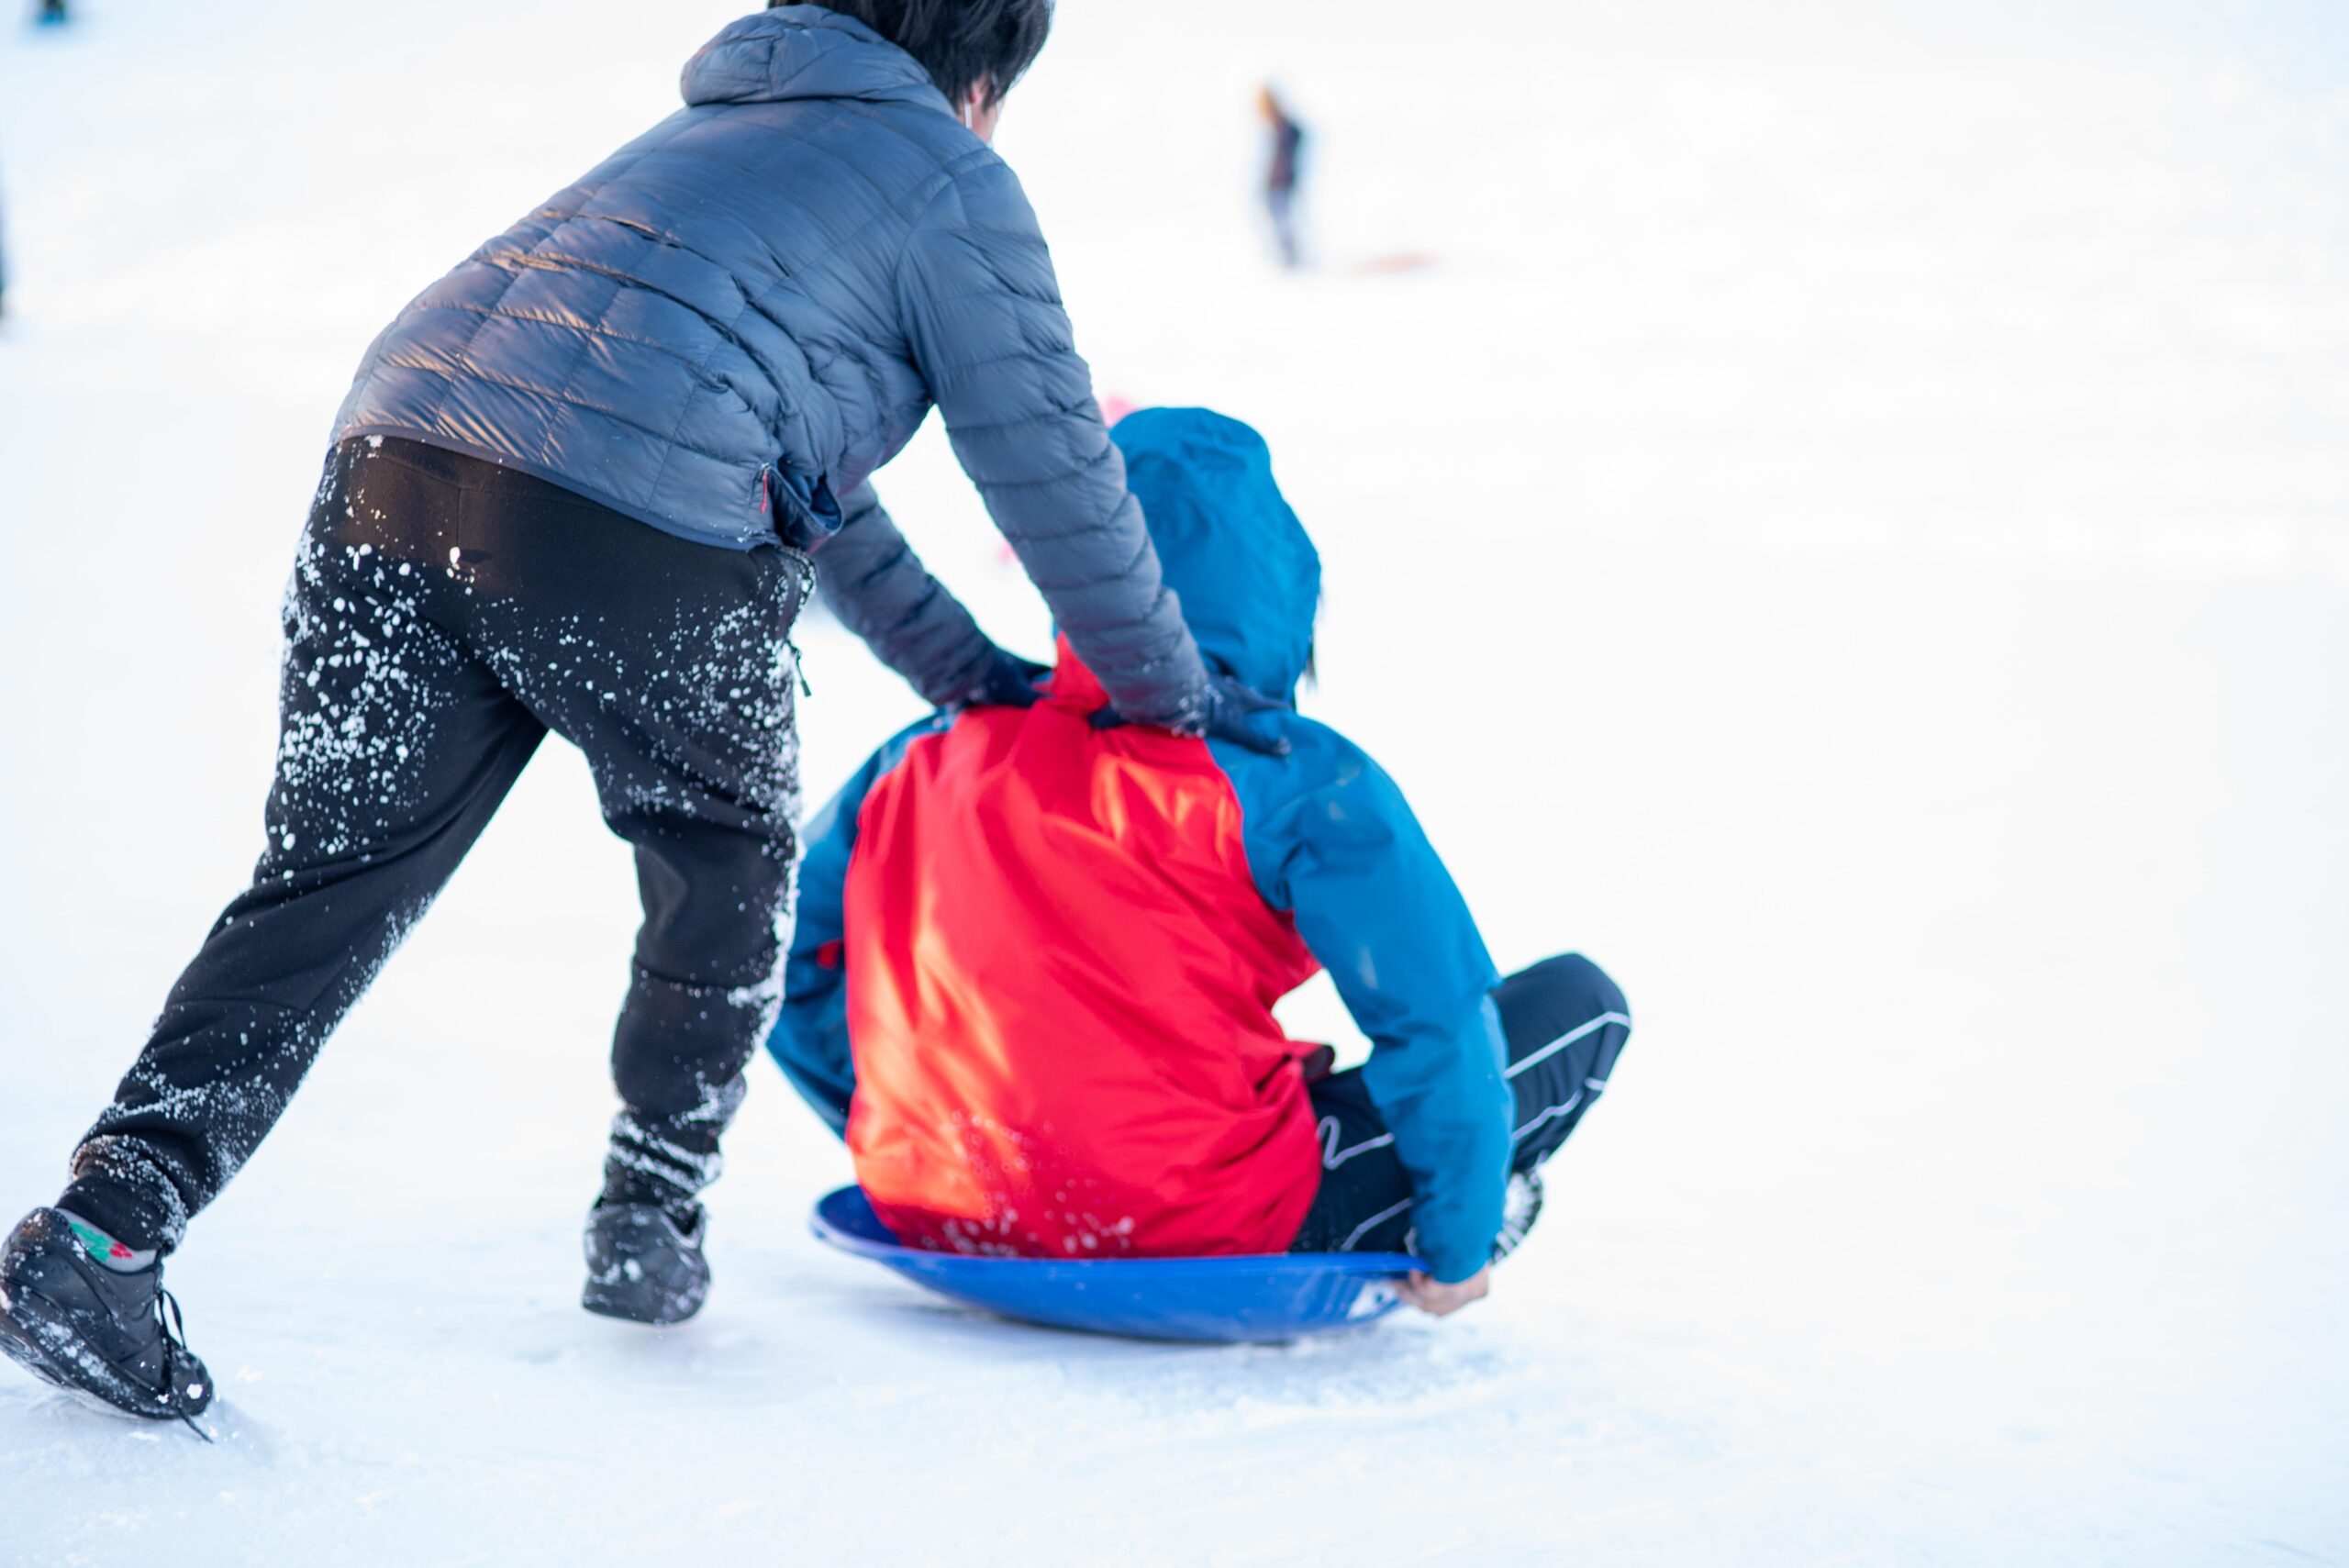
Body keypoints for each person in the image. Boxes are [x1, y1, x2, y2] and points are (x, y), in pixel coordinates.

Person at [0, 3, 1284, 1429]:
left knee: (327, 883)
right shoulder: (948, 180)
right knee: (725, 858)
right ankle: (648, 1216)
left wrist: (965, 674)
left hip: (393, 465)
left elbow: (807, 484)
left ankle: (105, 1228)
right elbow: (1055, 474)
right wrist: (1173, 702)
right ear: (982, 75)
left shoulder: (707, 140)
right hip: (628, 530)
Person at [768, 408, 1632, 1316]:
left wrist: (925, 1129)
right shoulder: (1296, 780)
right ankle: (1464, 1220)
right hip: (1205, 1224)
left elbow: (785, 960)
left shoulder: (926, 752)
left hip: (941, 1204)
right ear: (1277, 580)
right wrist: (1458, 1244)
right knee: (1580, 1006)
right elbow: (1438, 1020)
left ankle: (983, 1169)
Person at [1257, 84, 1306, 270]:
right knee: (1278, 226)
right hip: (1275, 186)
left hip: (1282, 186)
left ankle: (1292, 261)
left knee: (1286, 225)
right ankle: (1288, 261)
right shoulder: (1274, 129)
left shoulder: (1284, 129)